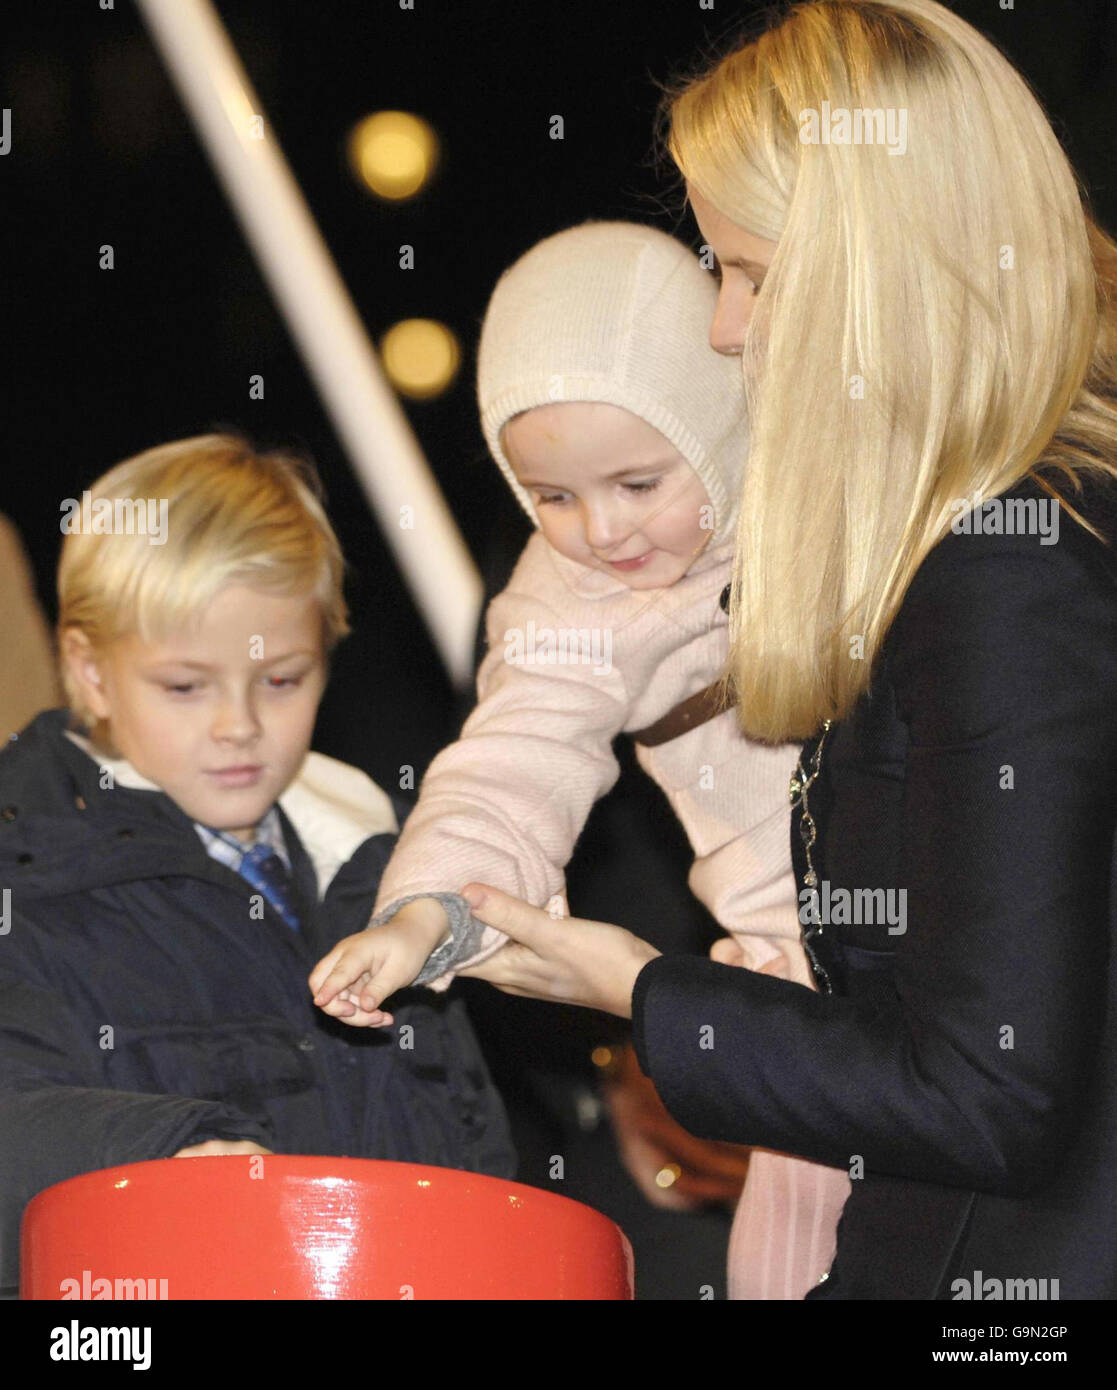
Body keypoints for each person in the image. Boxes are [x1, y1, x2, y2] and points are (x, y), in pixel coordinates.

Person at [444, 0, 1117, 1300]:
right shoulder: (1029, 516)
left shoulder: (1001, 564)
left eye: (749, 270)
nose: (724, 326)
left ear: (878, 266)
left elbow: (987, 1090)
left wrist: (643, 990)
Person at [310, 221, 852, 1297]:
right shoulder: (575, 605)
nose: (601, 529)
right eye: (550, 498)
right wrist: (428, 910)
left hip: (959, 949)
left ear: (713, 418)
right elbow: (510, 759)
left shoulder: (844, 485)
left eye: (638, 481)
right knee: (795, 1260)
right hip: (792, 981)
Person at [0, 434, 515, 1297]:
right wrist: (155, 1156)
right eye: (185, 686)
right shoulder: (28, 874)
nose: (238, 726)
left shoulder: (392, 867)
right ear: (90, 672)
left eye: (280, 680)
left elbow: (468, 1131)